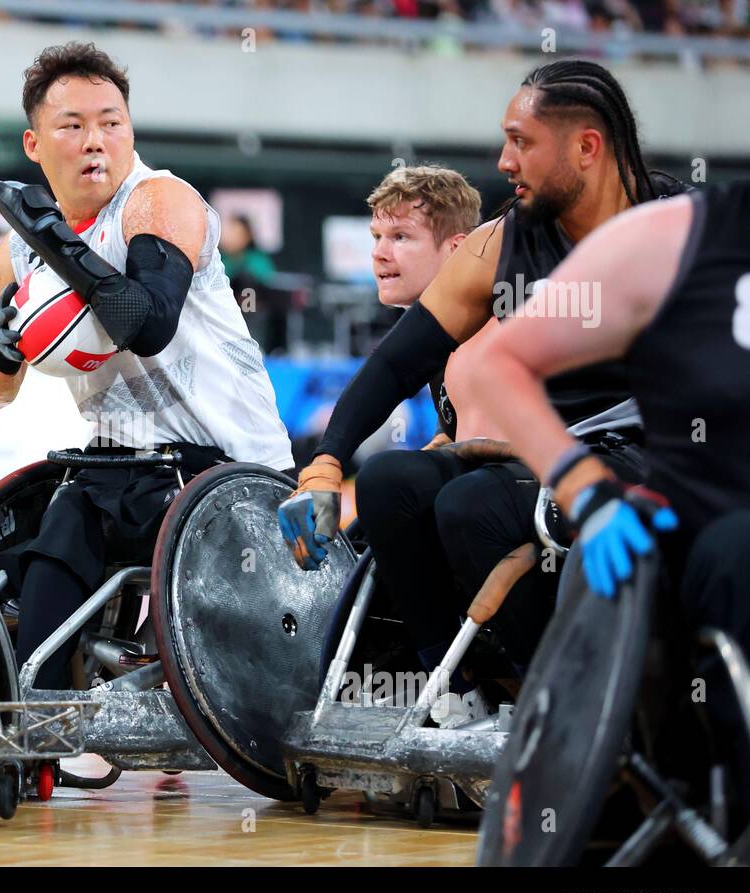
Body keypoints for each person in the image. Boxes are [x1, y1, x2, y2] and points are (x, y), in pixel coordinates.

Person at [278, 59, 683, 724]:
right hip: (539, 455)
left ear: (586, 148)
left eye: (522, 143)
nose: (503, 161)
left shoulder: (677, 228)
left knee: (472, 506)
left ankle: (558, 705)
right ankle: (455, 693)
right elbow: (393, 364)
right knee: (387, 481)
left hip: (647, 455)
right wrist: (325, 463)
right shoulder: (503, 242)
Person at [0, 42, 292, 688]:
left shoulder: (160, 200)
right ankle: (36, 716)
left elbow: (149, 323)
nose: (95, 141)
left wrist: (61, 247)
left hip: (228, 466)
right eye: (73, 126)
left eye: (111, 123)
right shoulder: (17, 251)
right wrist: (2, 348)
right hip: (124, 464)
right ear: (34, 145)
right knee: (49, 528)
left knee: (89, 504)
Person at [472, 178, 750, 806]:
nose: (507, 160)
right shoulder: (678, 236)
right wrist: (584, 489)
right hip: (696, 519)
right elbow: (495, 366)